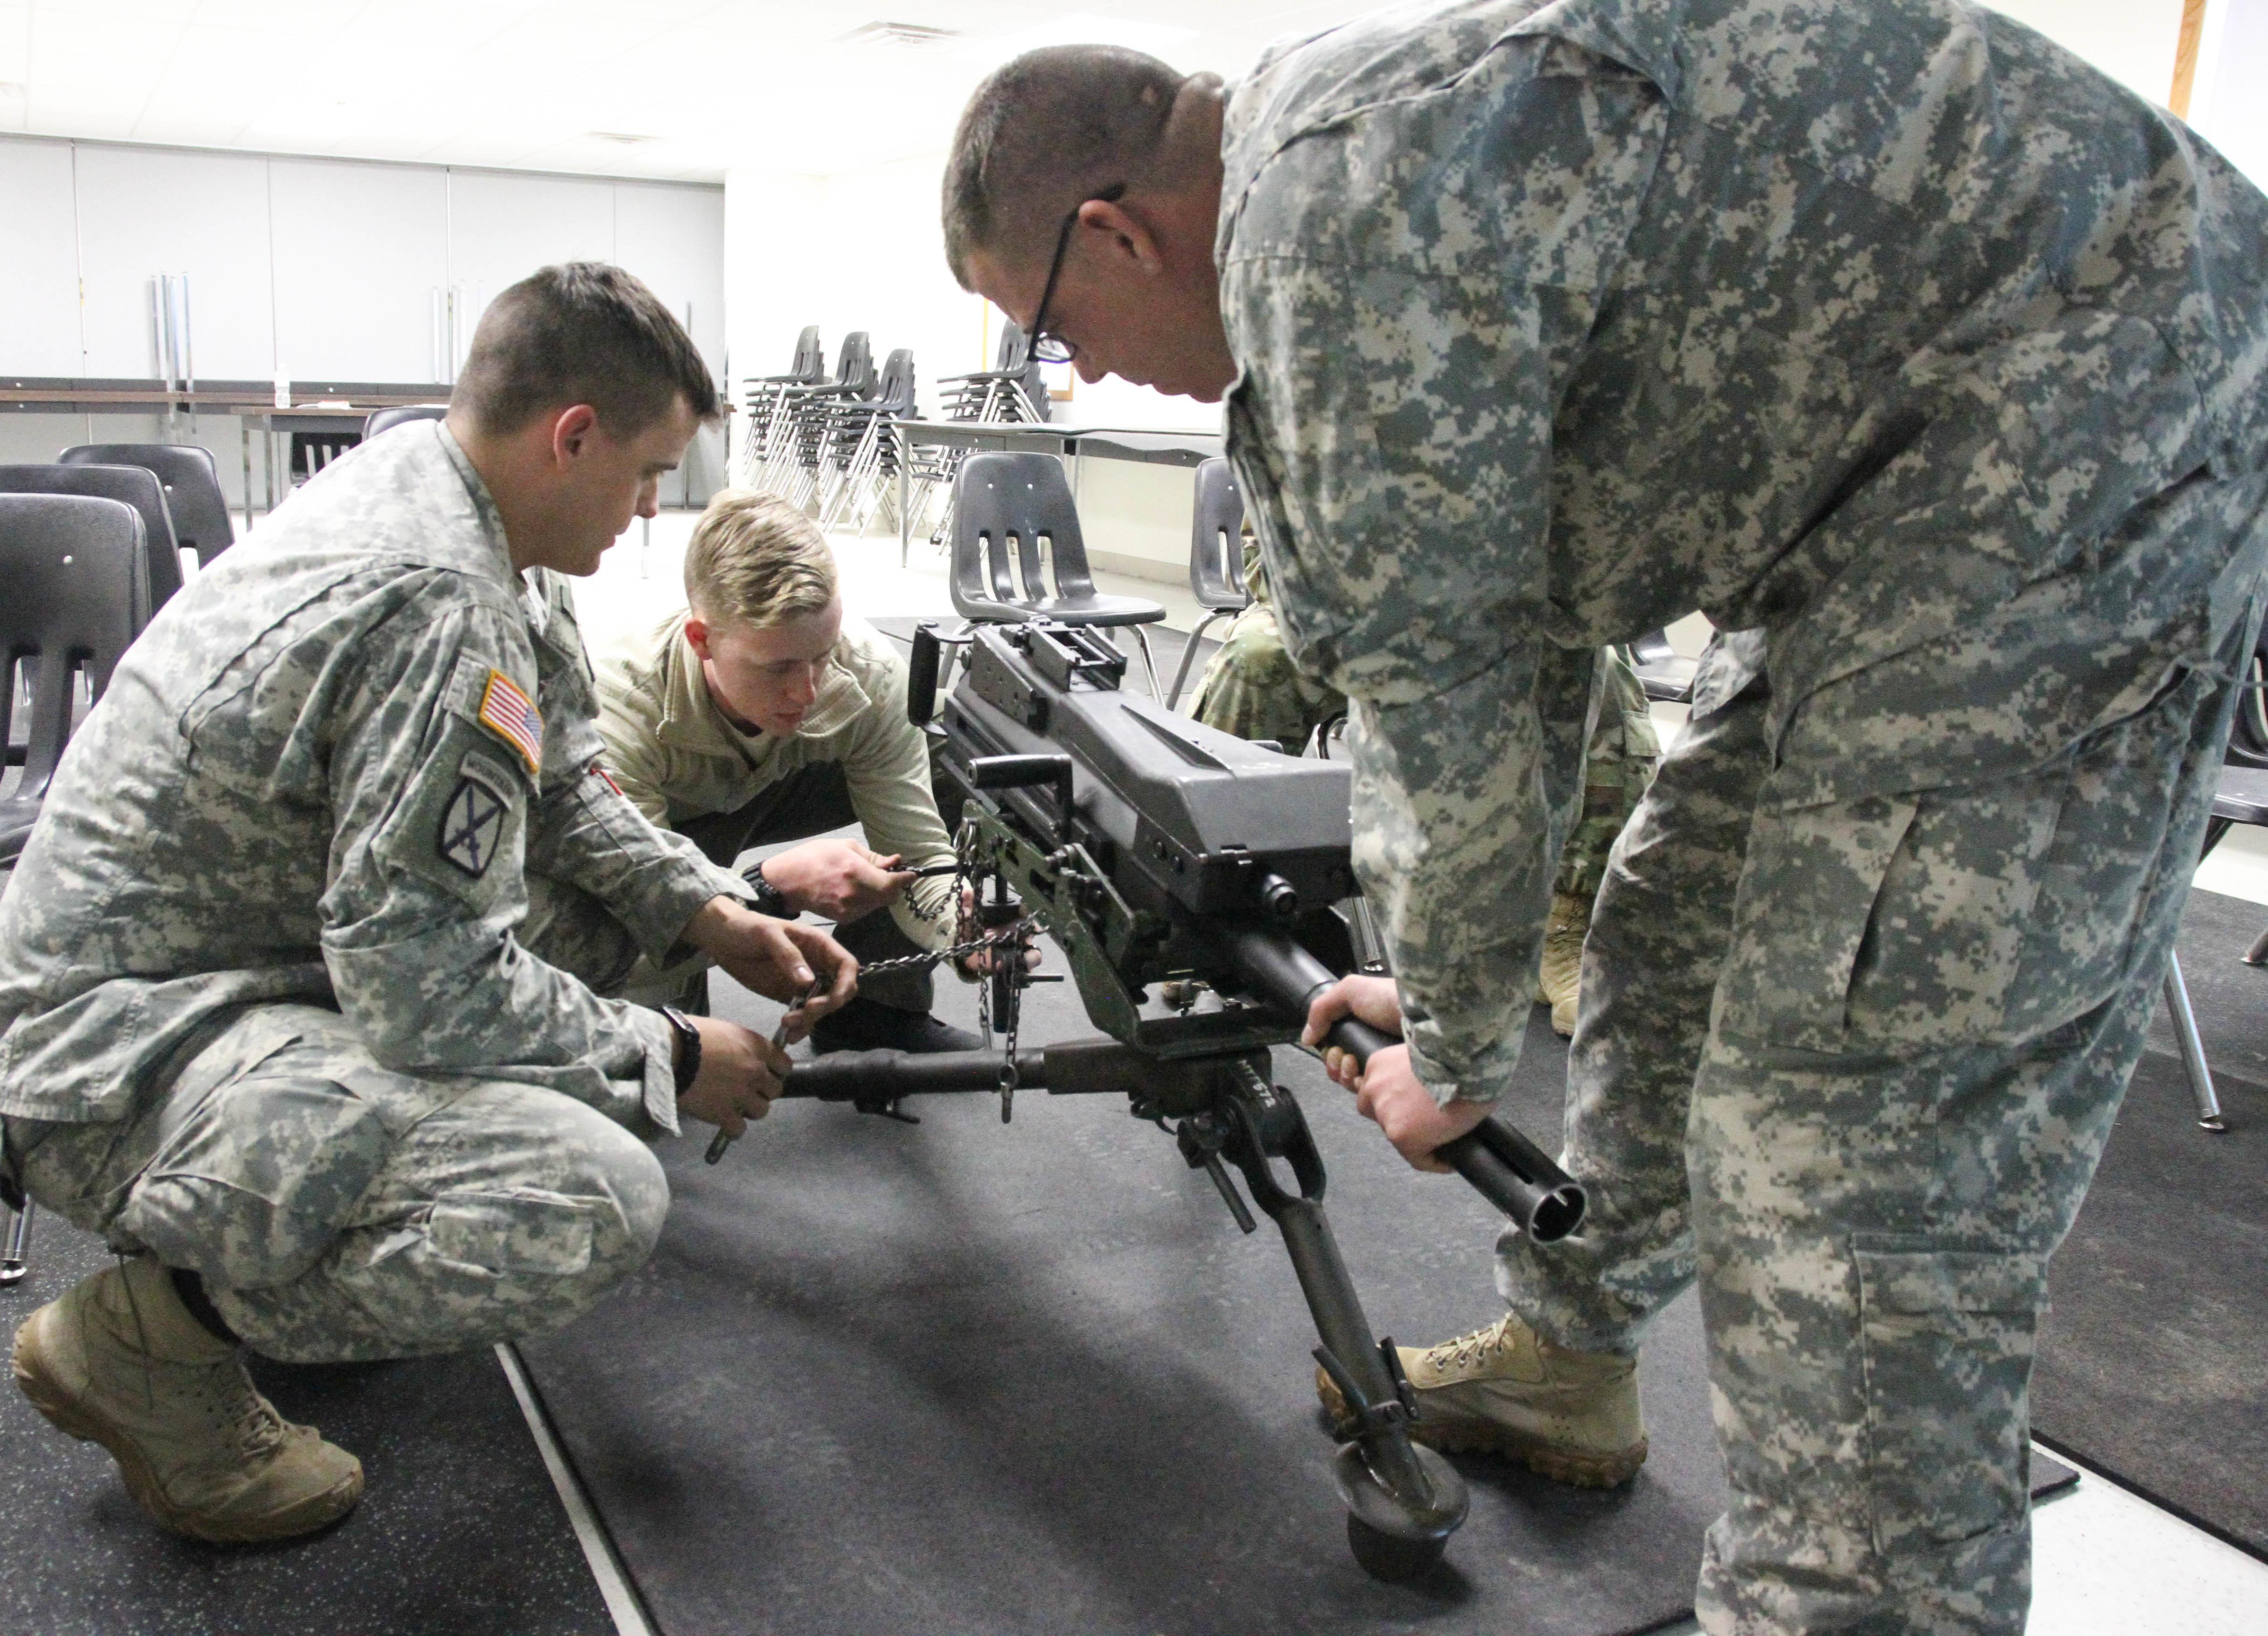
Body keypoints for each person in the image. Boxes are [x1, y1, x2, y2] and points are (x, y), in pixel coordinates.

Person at [939, 5, 2268, 1632]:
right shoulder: (1344, 164)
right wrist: (1448, 1001)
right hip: (1902, 504)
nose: (1078, 370)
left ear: (1115, 230)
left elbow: (1451, 684)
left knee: (1845, 1164)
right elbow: (1525, 632)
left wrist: (1451, 1045)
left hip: (2076, 460)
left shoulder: (1326, 219)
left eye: (1052, 325)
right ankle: (1569, 1356)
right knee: (1675, 924)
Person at [0, 262, 857, 1545]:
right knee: (591, 1202)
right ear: (572, 437)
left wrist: (711, 910)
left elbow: (560, 791)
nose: (655, 511)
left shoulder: (474, 517)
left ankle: (313, 1211)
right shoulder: (445, 598)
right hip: (112, 1059)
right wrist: (666, 1053)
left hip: (240, 962)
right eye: (650, 472)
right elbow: (421, 976)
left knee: (624, 924)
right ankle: (153, 1343)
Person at [1187, 531, 1658, 1034]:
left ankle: (1563, 924)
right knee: (1257, 656)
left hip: (1480, 616)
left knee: (1598, 666)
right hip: (1338, 610)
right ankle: (1210, 902)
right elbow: (1270, 556)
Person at [592, 489, 986, 1055]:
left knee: (950, 744)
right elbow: (639, 917)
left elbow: (919, 853)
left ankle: (872, 1007)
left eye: (822, 654)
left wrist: (964, 931)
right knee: (659, 1055)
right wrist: (771, 889)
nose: (807, 691)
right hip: (663, 829)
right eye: (776, 667)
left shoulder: (867, 673)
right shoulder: (616, 704)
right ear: (701, 641)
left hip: (779, 789)